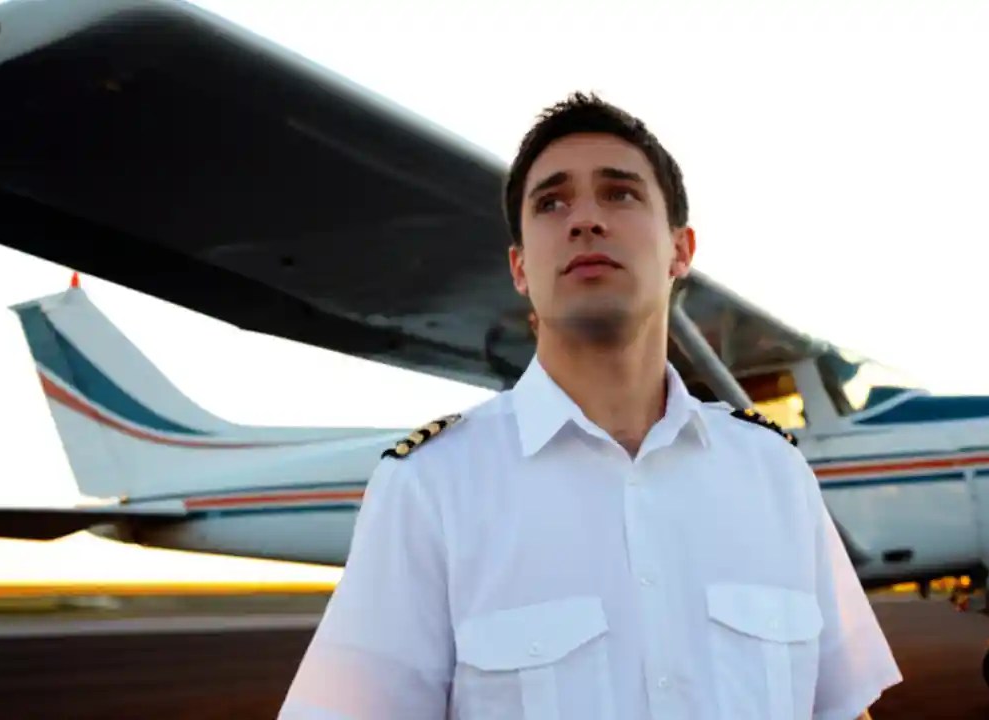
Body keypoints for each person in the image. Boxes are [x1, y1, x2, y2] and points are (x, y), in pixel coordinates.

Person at [279, 92, 902, 720]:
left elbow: (842, 709)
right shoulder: (429, 486)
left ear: (681, 250)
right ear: (520, 268)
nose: (584, 220)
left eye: (620, 193)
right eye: (551, 202)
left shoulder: (776, 473)